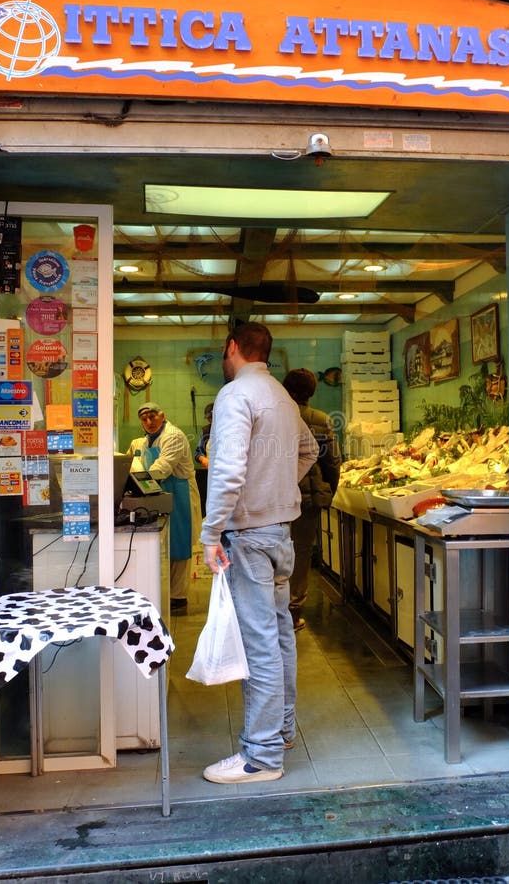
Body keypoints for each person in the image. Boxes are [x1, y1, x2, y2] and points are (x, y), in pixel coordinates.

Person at [200, 322, 319, 784]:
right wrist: (278, 484)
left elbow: (227, 470)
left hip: (249, 537)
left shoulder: (235, 395)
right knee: (280, 633)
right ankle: (282, 730)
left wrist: (212, 534)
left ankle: (263, 756)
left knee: (260, 643)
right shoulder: (282, 396)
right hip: (280, 533)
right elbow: (309, 449)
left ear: (232, 348)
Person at [282, 368, 342, 632]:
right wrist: (328, 490)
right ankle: (293, 613)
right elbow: (332, 461)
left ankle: (272, 612)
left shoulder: (277, 416)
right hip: (308, 498)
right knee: (302, 553)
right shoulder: (320, 419)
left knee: (275, 552)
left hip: (276, 498)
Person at [128, 402, 202, 612]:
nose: (149, 422)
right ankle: (165, 593)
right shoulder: (143, 442)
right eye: (144, 419)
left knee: (180, 545)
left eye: (153, 417)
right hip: (159, 492)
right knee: (165, 545)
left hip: (180, 493)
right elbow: (136, 461)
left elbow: (162, 468)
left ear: (163, 416)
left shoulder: (173, 436)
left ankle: (178, 597)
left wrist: (139, 483)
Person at [194, 402, 213, 469]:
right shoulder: (206, 431)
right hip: (211, 472)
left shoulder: (230, 430)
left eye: (212, 417)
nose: (210, 420)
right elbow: (198, 453)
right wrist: (203, 459)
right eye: (209, 418)